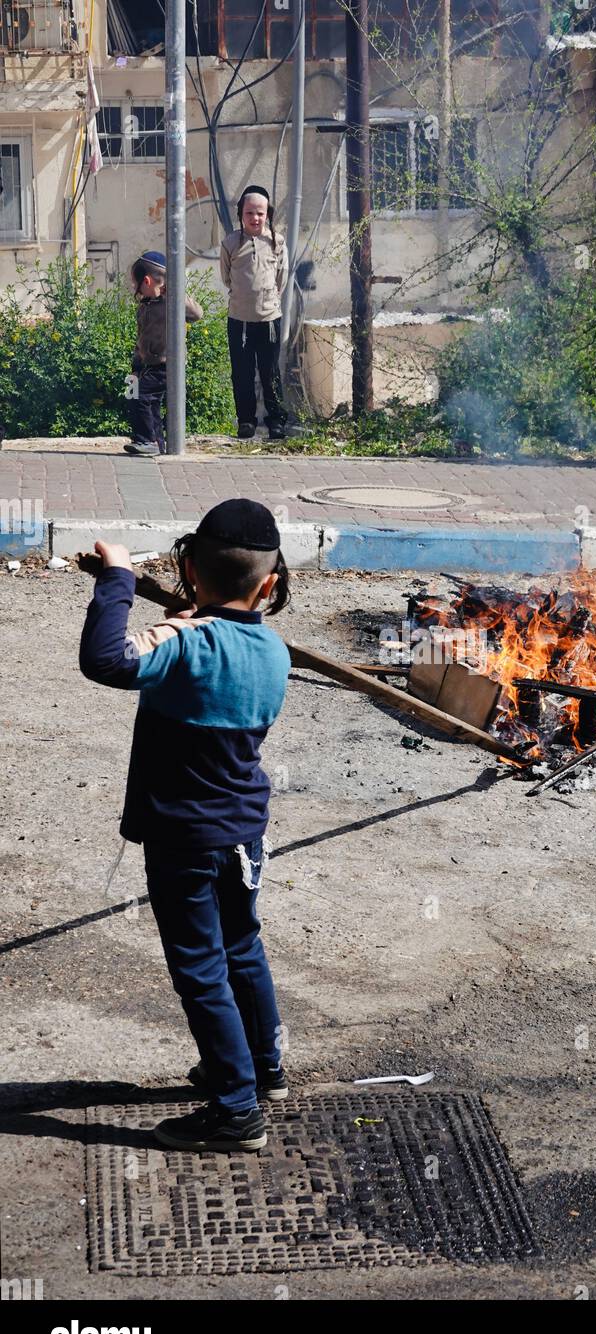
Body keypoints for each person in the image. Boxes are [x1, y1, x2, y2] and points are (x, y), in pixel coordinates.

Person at [79, 499, 292, 1153]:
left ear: (190, 570)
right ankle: (264, 1068)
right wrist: (187, 617)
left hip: (184, 841)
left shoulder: (183, 643)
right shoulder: (274, 653)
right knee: (241, 948)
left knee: (200, 969)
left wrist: (116, 580)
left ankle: (235, 1109)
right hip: (244, 834)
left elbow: (108, 660)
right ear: (272, 584)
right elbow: (204, 653)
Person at [220, 186, 290, 441]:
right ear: (241, 214)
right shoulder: (230, 242)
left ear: (267, 214)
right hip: (239, 320)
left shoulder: (276, 241)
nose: (255, 218)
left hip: (269, 319)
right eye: (249, 213)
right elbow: (227, 277)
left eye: (260, 213)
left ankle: (276, 422)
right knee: (242, 372)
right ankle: (246, 421)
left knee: (270, 371)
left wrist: (267, 300)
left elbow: (281, 278)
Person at [126, 251, 203, 457]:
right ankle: (155, 442)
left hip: (166, 364)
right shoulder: (144, 306)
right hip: (147, 364)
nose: (135, 288)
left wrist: (175, 293)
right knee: (135, 395)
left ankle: (147, 440)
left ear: (148, 280)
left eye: (137, 284)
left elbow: (197, 314)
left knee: (142, 396)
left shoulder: (171, 302)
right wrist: (136, 364)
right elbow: (140, 338)